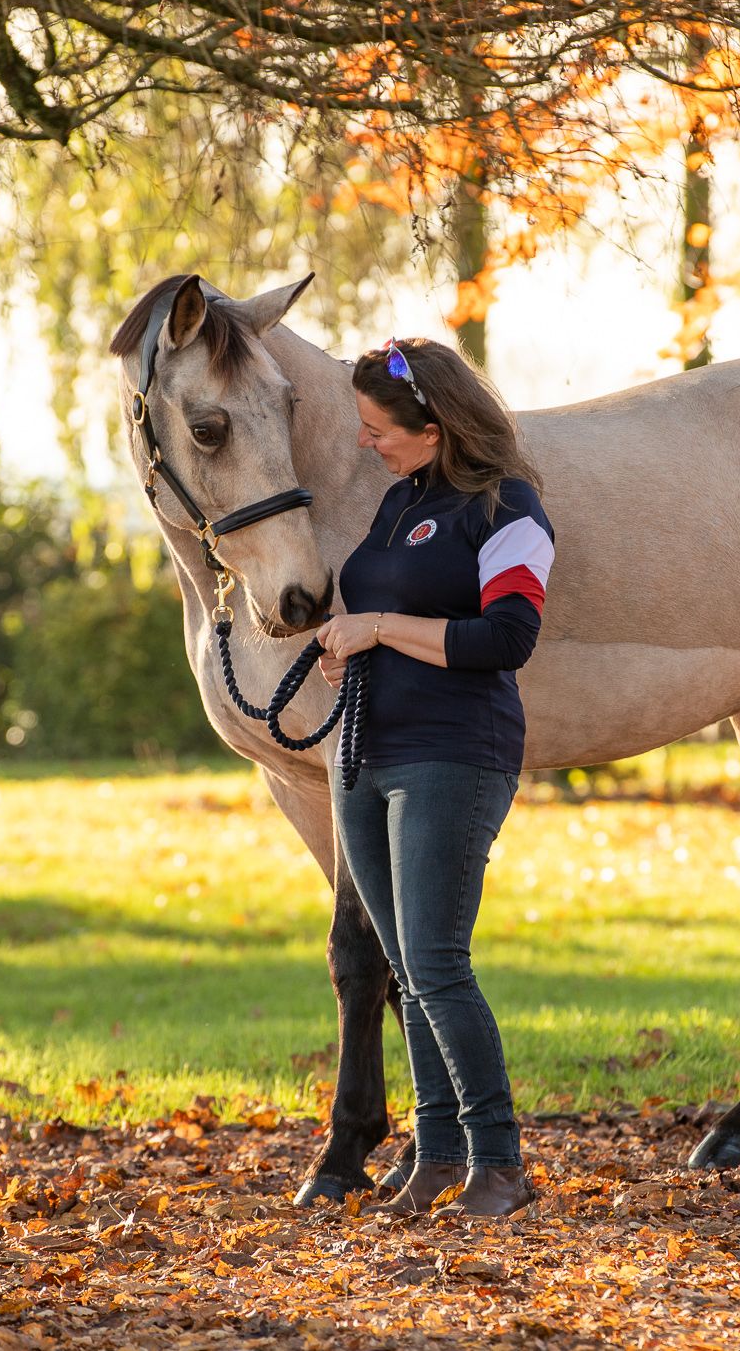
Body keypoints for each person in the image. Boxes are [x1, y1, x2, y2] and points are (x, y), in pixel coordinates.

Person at [314, 336, 554, 1218]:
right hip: (366, 754)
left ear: (434, 424)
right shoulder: (398, 502)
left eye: (379, 428)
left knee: (438, 965)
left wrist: (376, 626)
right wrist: (352, 646)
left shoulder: (508, 509)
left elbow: (507, 639)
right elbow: (389, 612)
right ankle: (437, 1153)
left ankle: (499, 1162)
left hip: (455, 757)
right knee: (405, 974)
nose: (367, 442)